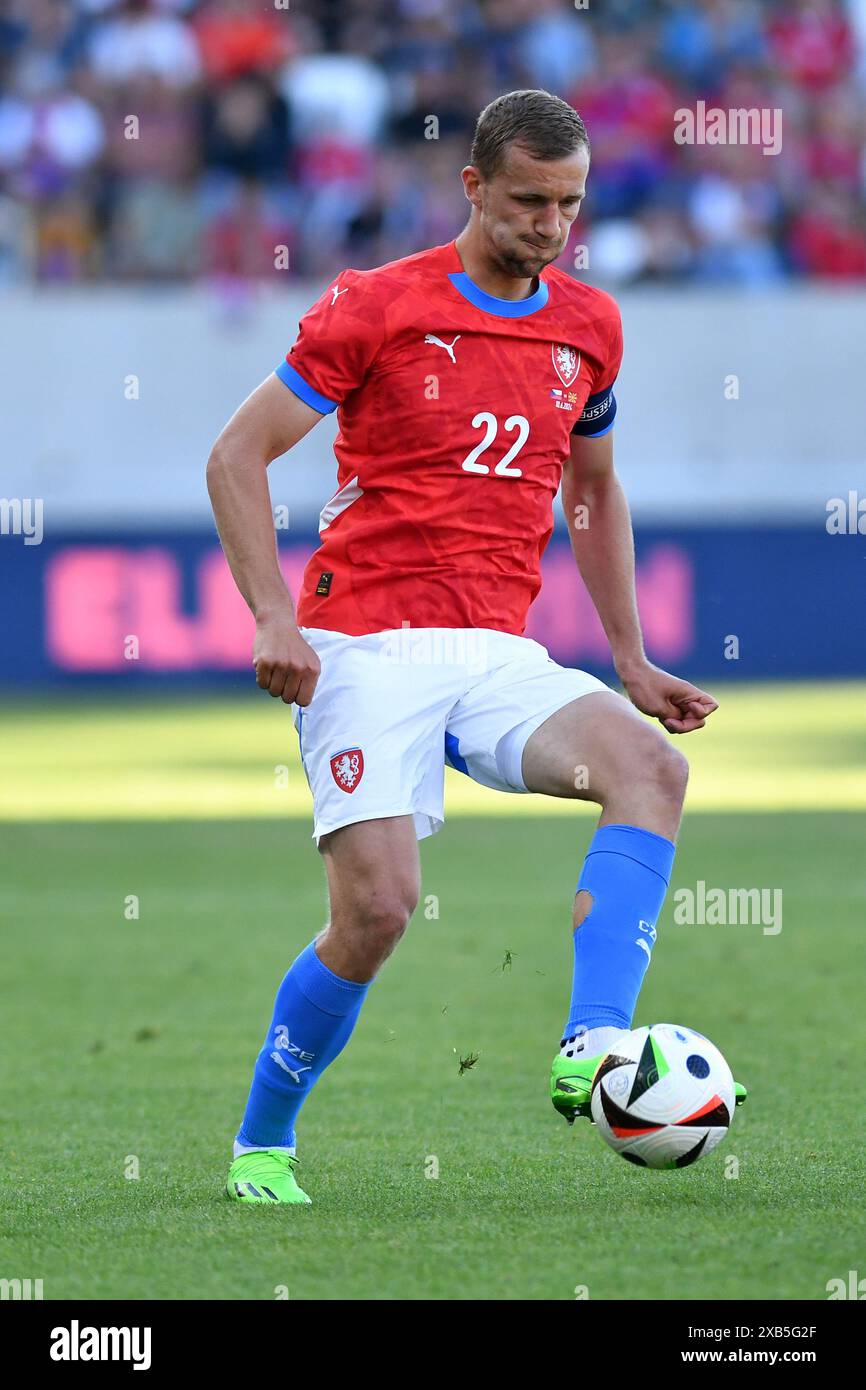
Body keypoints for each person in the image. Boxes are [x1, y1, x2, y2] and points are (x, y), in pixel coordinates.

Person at [207, 88, 745, 1206]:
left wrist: (631, 659)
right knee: (377, 912)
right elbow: (234, 457)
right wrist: (270, 616)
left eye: (568, 204)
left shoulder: (589, 326)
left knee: (652, 768)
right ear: (471, 187)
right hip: (361, 646)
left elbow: (589, 492)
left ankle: (590, 1044)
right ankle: (263, 1141)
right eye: (526, 202)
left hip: (494, 652)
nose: (548, 225)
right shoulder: (377, 304)